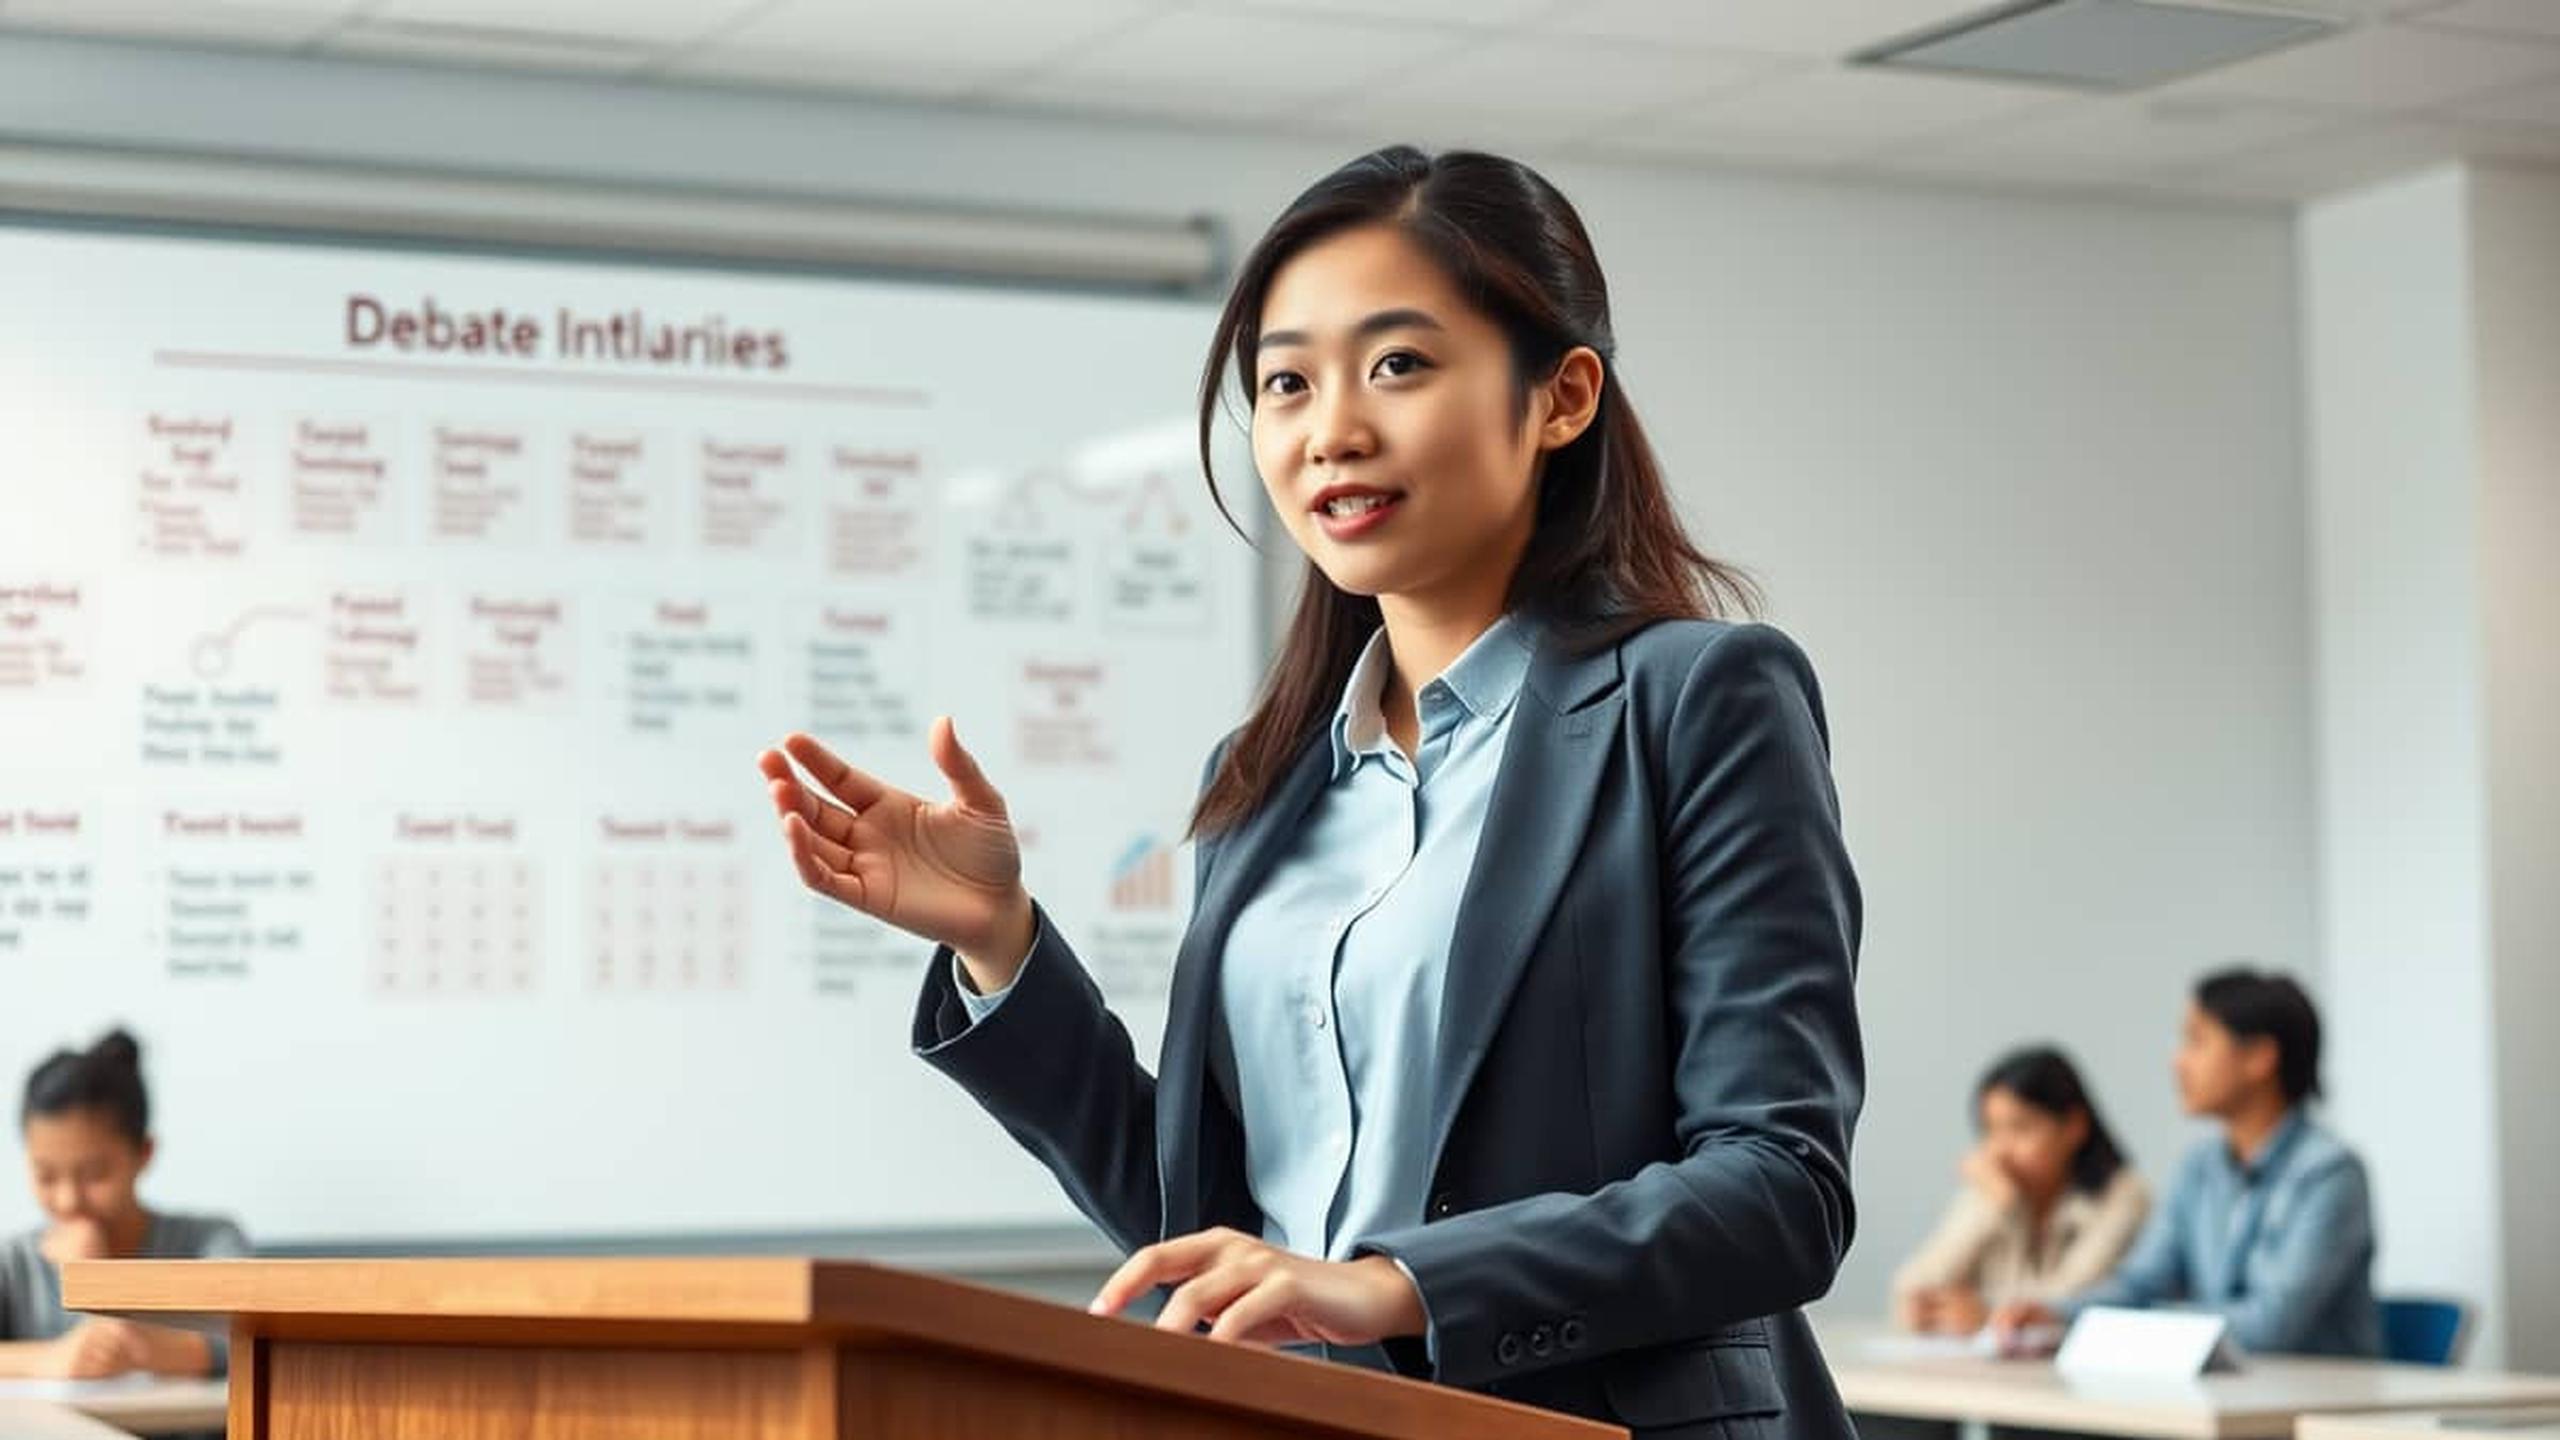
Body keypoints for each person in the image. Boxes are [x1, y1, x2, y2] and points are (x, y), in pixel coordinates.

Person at [758, 145, 1866, 1436]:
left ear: (1561, 397)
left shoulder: (1699, 702)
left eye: (1398, 364)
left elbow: (1780, 1189)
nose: (1331, 427)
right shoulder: (1265, 777)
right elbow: (1212, 1236)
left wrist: (1392, 1286)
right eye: (1286, 382)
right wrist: (998, 944)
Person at [1992, 969, 2381, 1358]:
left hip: (2312, 1398)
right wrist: (2057, 1314)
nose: (2179, 1062)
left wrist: (2147, 1323)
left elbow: (2273, 1324)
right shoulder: (2200, 1167)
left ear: (2260, 1057)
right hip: (2223, 1387)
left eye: (2197, 1041)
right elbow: (2140, 1283)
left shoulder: (2329, 1174)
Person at [0, 1028, 250, 1380]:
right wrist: (46, 1360)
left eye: (94, 1174)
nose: (68, 1199)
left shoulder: (208, 1242)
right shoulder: (14, 1263)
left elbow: (252, 1346)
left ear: (143, 1154)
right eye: (46, 1176)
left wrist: (101, 1285)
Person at [1893, 1047, 2147, 1334]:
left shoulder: (2124, 1196)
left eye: (2021, 1128)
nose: (2001, 1150)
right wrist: (1994, 1208)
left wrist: (1987, 1317)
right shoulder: (1993, 1191)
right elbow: (1910, 1294)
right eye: (1991, 1130)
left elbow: (2069, 1302)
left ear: (2075, 1126)